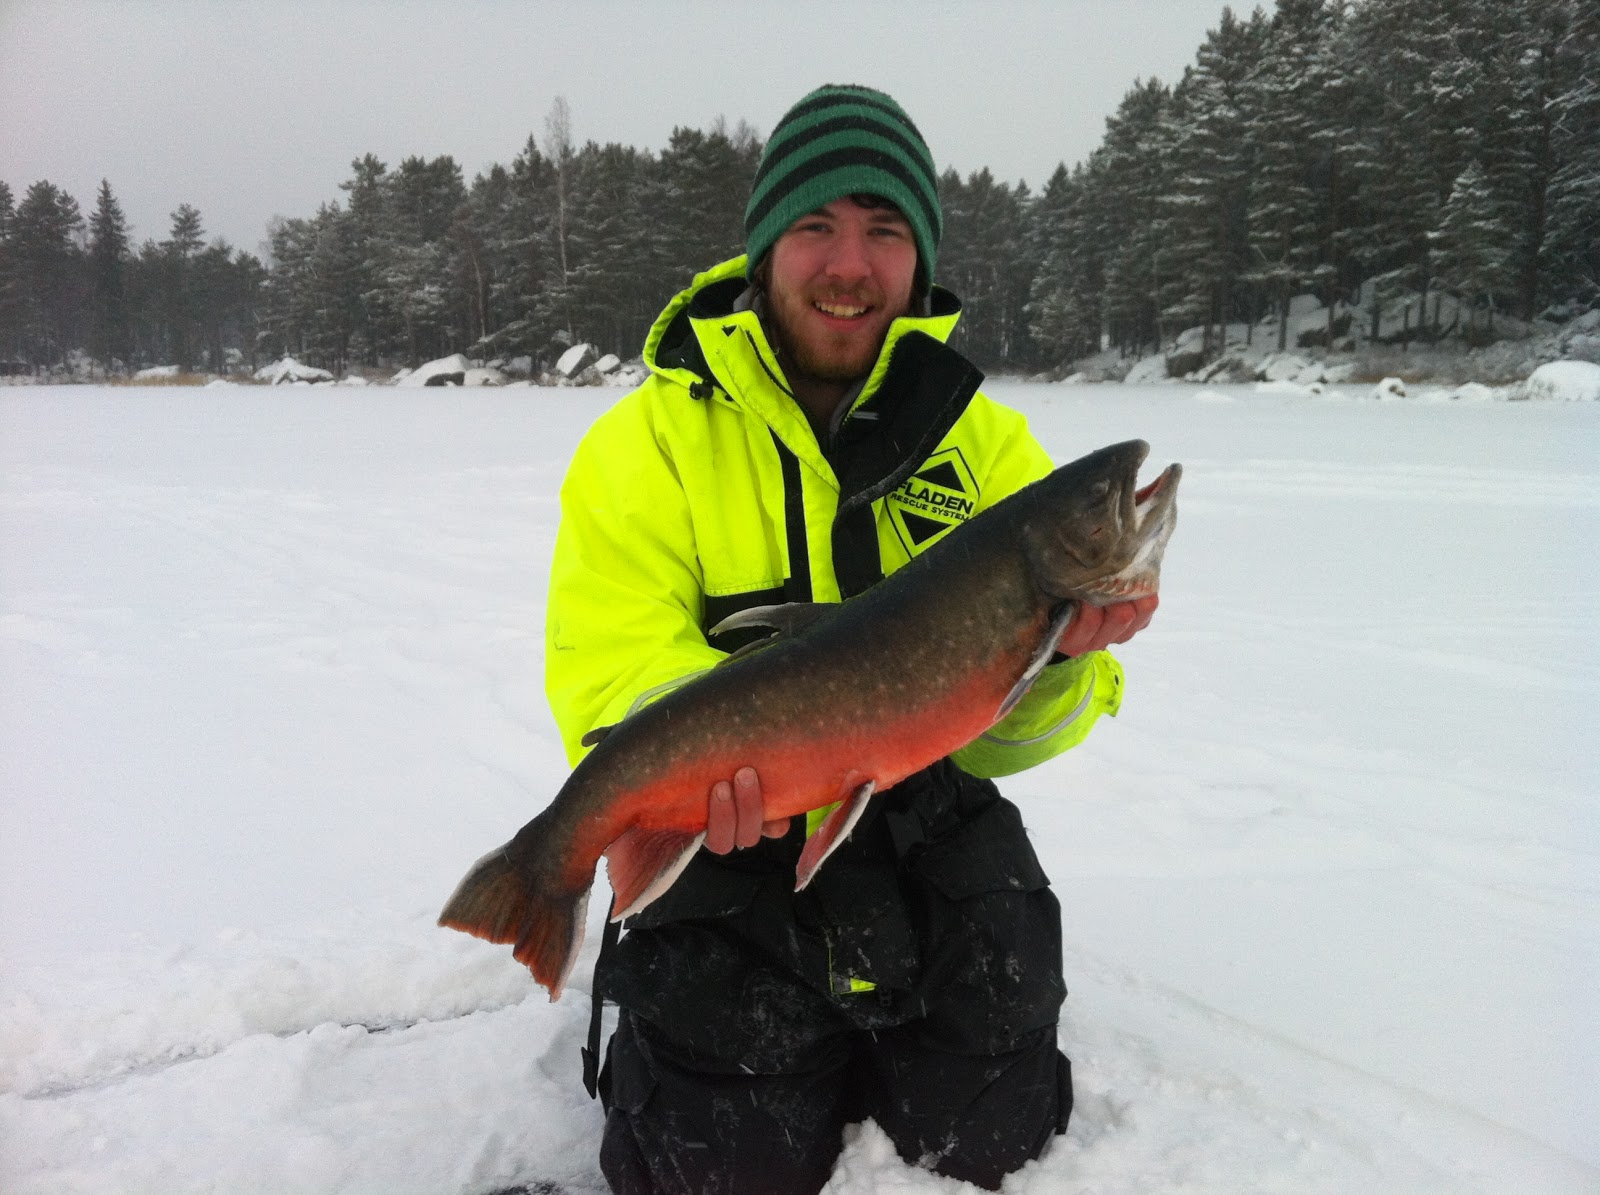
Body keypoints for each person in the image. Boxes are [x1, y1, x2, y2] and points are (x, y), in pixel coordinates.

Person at [544, 84, 1157, 1195]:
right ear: (764, 247)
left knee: (992, 1139)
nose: (849, 263)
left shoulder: (986, 445)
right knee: (720, 1168)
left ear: (919, 260)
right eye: (816, 224)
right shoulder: (646, 444)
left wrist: (1062, 661)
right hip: (729, 839)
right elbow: (609, 665)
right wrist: (732, 762)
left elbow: (1009, 739)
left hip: (924, 822)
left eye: (884, 230)